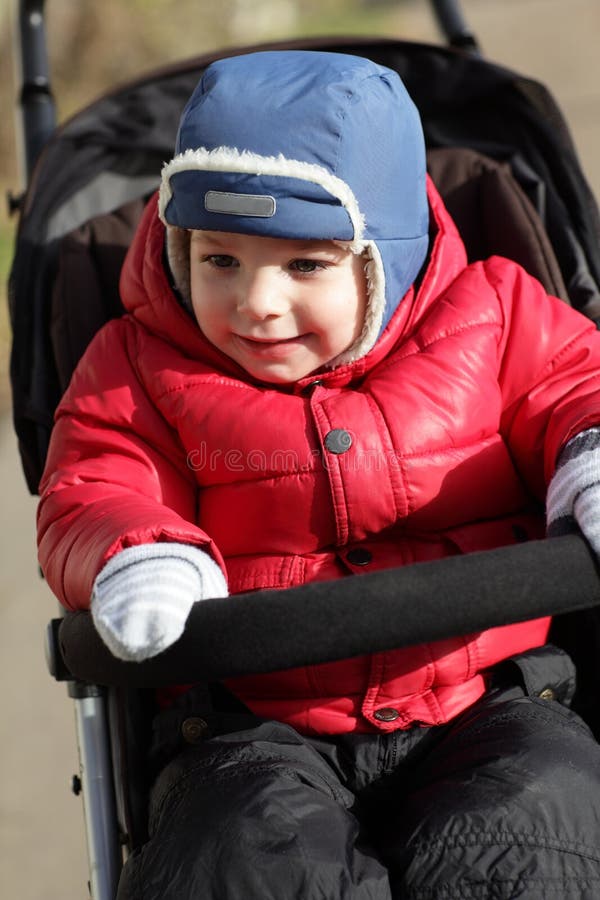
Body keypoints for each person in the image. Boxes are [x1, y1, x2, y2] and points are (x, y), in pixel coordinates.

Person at [37, 50, 600, 898]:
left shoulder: (496, 314)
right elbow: (98, 478)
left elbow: (577, 383)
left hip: (487, 700)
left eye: (305, 266)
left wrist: (589, 456)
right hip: (247, 727)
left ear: (391, 256)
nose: (256, 302)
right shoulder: (138, 365)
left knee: (531, 835)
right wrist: (140, 550)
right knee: (237, 860)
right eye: (219, 260)